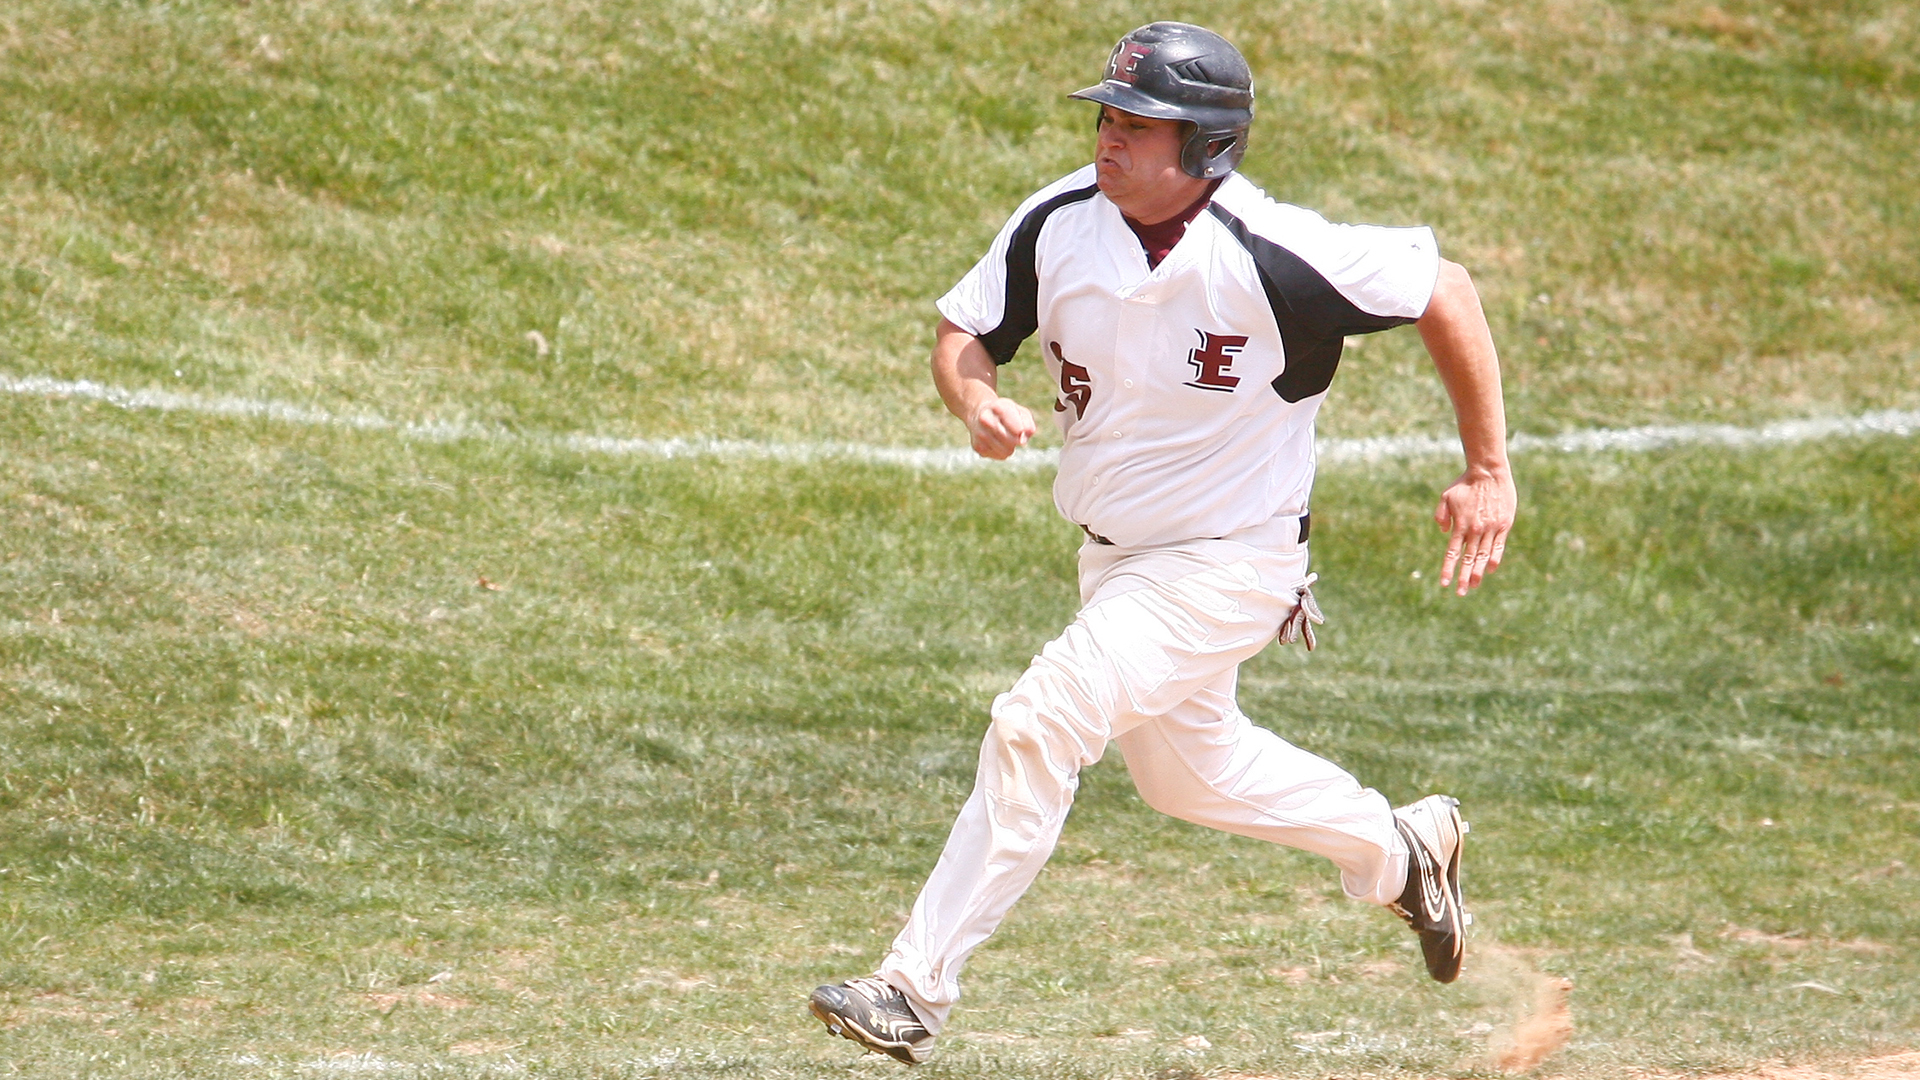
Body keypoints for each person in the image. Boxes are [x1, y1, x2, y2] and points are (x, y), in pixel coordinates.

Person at [809, 21, 1516, 1065]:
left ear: (1207, 146)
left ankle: (911, 989)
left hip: (1233, 561)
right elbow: (966, 333)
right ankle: (1402, 850)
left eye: (1139, 124)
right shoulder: (1058, 222)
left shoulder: (1272, 252)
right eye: (1107, 114)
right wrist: (974, 400)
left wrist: (1488, 469)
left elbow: (1443, 286)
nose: (1110, 136)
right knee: (1188, 776)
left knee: (1039, 720)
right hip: (1117, 564)